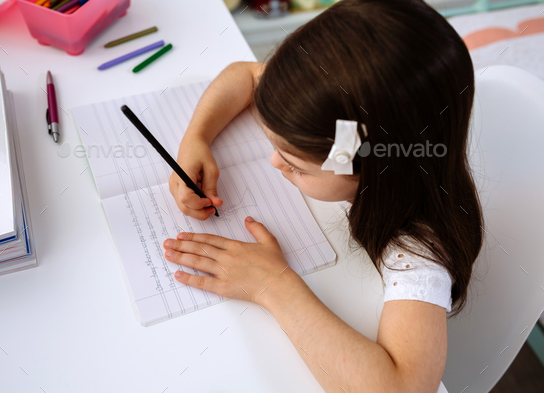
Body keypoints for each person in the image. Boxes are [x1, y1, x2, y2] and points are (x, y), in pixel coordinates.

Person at [162, 0, 484, 391]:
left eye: (297, 165)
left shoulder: (418, 247)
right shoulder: (345, 126)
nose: (274, 162)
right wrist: (197, 137)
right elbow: (245, 75)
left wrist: (272, 284)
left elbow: (402, 387)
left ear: (369, 168)